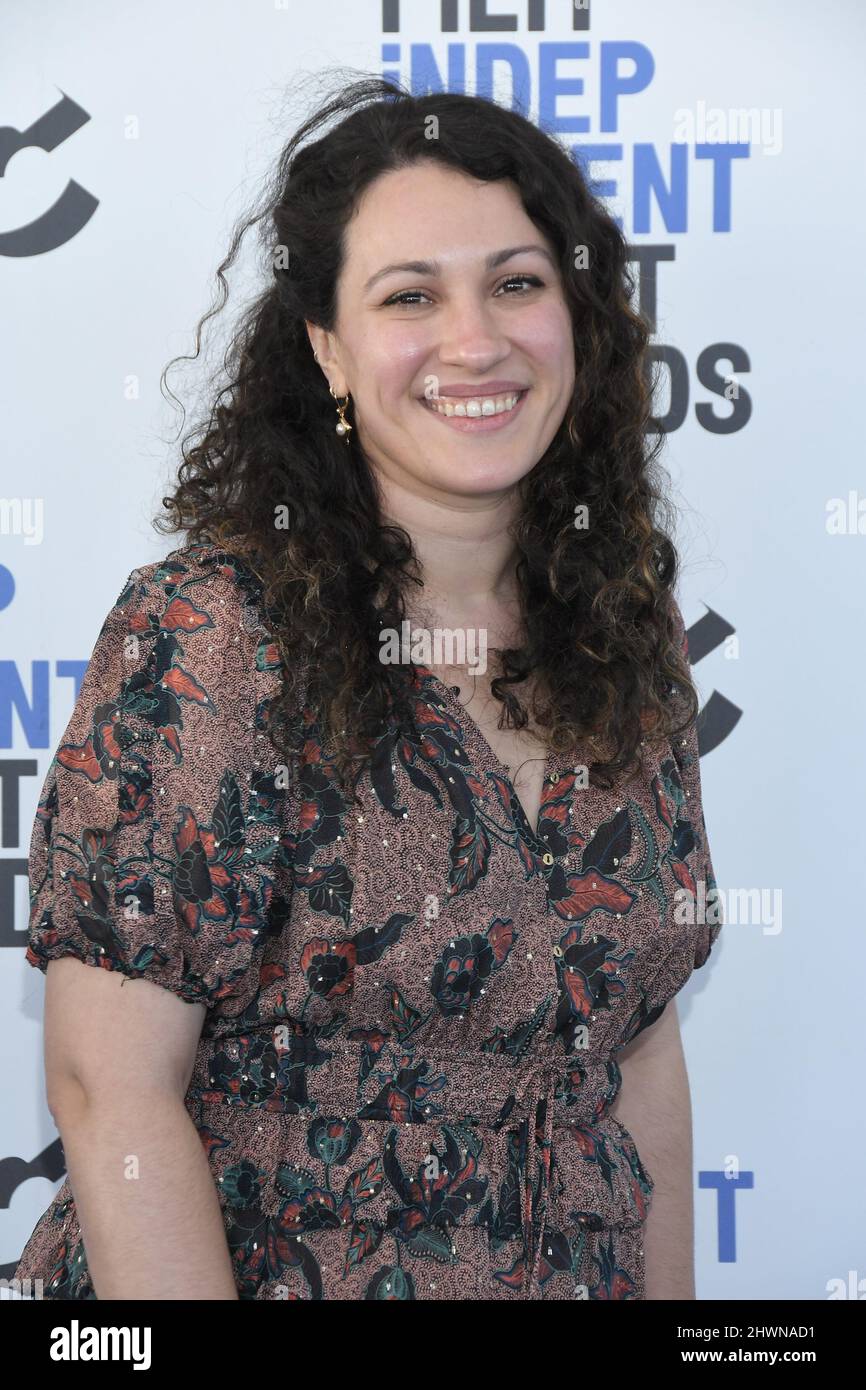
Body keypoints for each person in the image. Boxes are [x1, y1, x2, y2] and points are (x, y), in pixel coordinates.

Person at [14, 75, 722, 1300]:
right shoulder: (213, 631)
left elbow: (638, 1051)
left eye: (516, 283)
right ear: (327, 348)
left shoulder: (623, 633)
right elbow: (108, 1084)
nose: (475, 340)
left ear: (577, 316)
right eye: (410, 296)